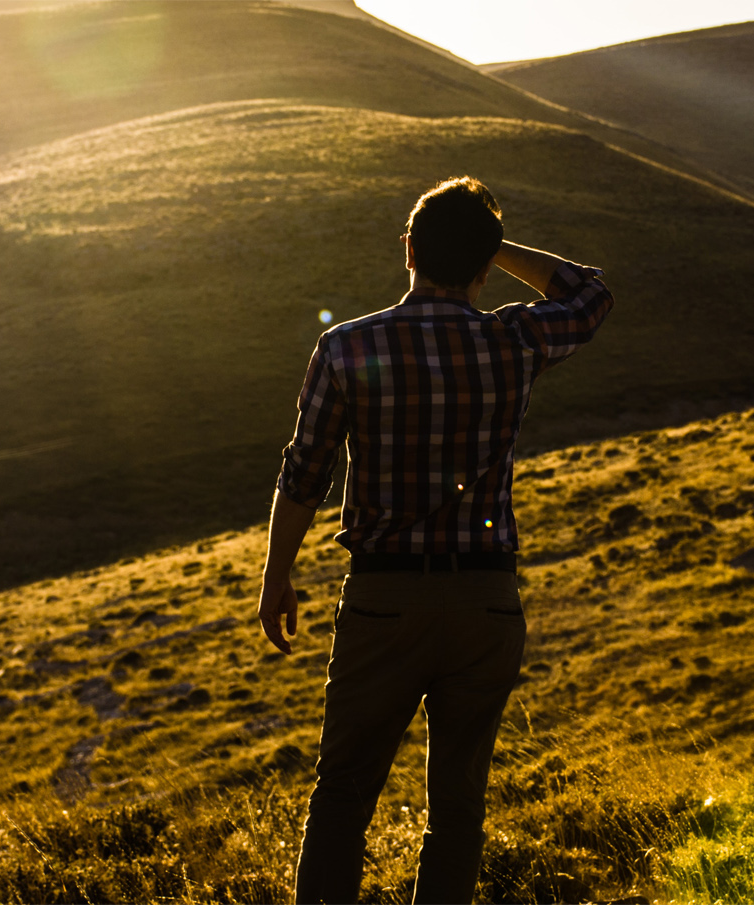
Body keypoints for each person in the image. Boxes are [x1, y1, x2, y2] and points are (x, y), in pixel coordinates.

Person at [256, 175, 614, 904]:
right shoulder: (512, 339)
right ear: (484, 263)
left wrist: (276, 576)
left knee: (343, 796)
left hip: (384, 599)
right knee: (457, 807)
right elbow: (589, 294)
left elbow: (305, 474)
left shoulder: (347, 346)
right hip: (486, 600)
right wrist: (492, 246)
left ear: (409, 250)